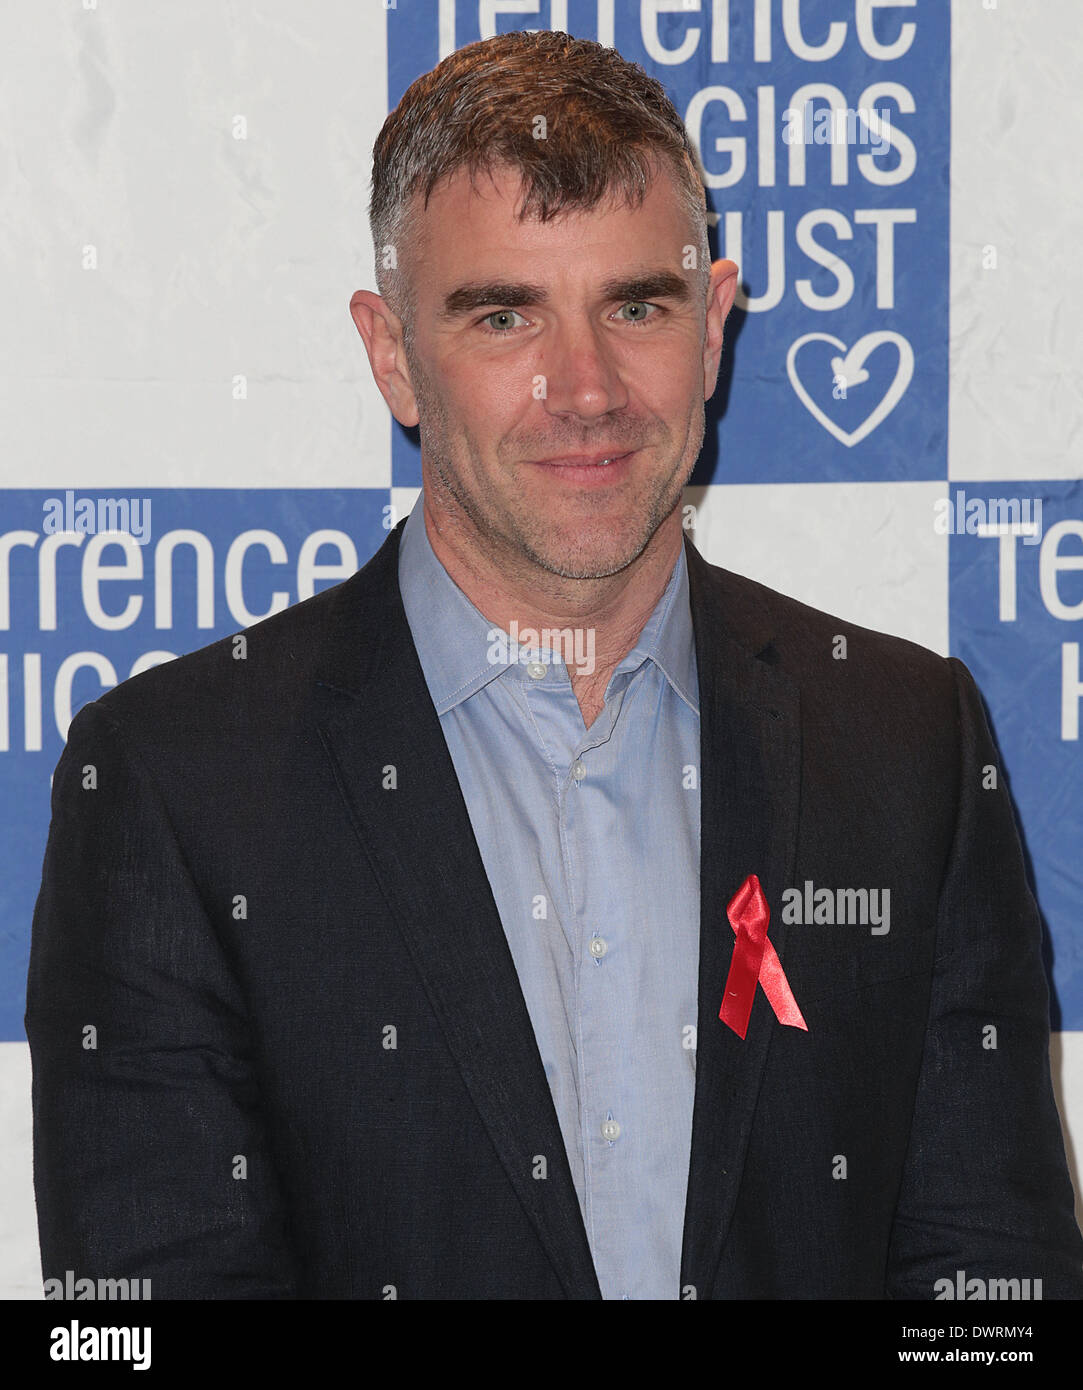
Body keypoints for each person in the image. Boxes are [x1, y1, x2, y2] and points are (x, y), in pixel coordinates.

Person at [26, 29, 1083, 1300]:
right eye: (504, 313)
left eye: (637, 305)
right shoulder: (174, 781)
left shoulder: (908, 739)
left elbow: (992, 1292)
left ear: (714, 327)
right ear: (391, 355)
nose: (583, 390)